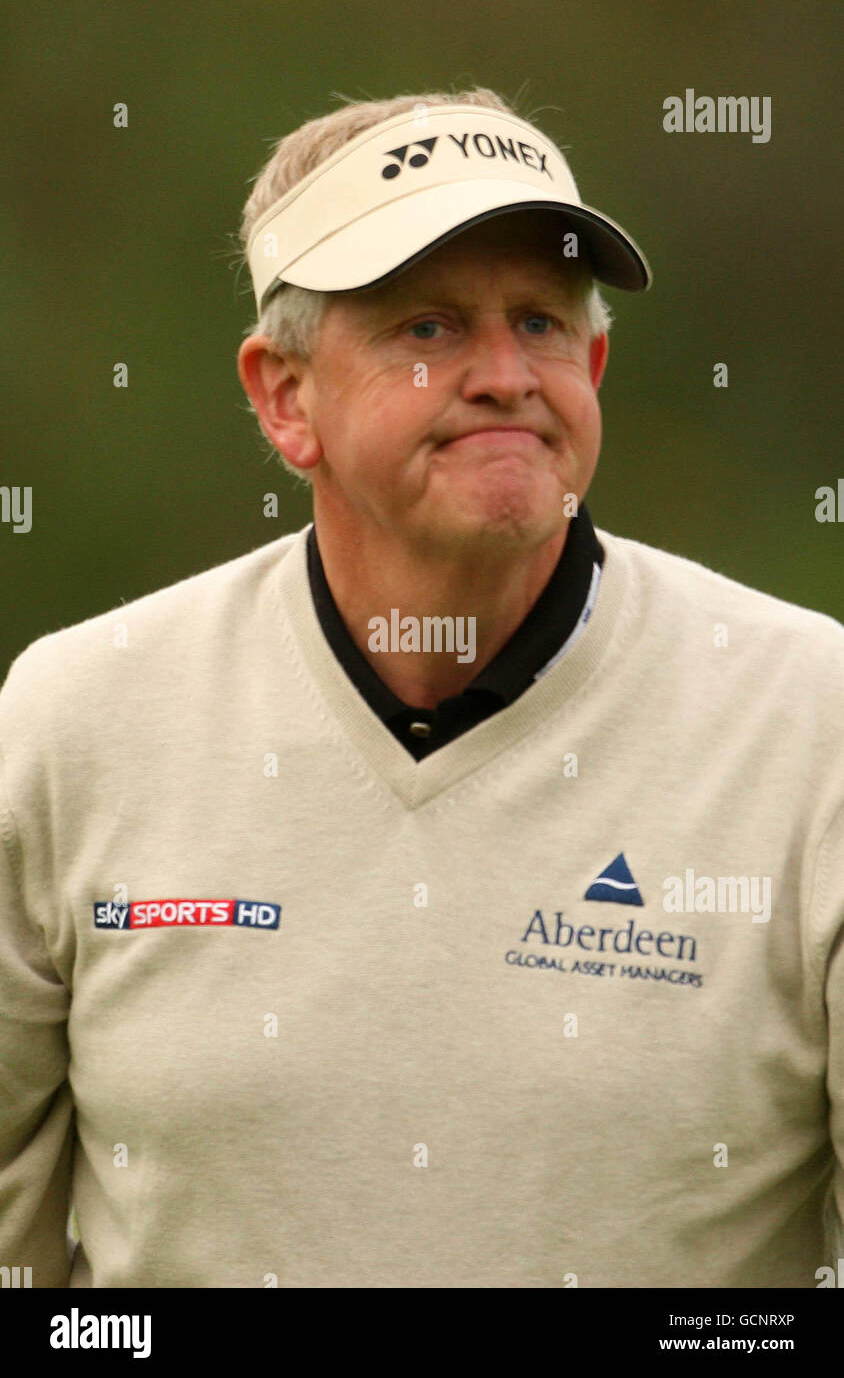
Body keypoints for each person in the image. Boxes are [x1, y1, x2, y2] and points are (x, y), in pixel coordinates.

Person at [1, 86, 842, 1290]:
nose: (505, 374)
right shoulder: (75, 718)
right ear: (285, 396)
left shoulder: (813, 719)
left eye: (542, 324)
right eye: (430, 328)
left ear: (593, 365)